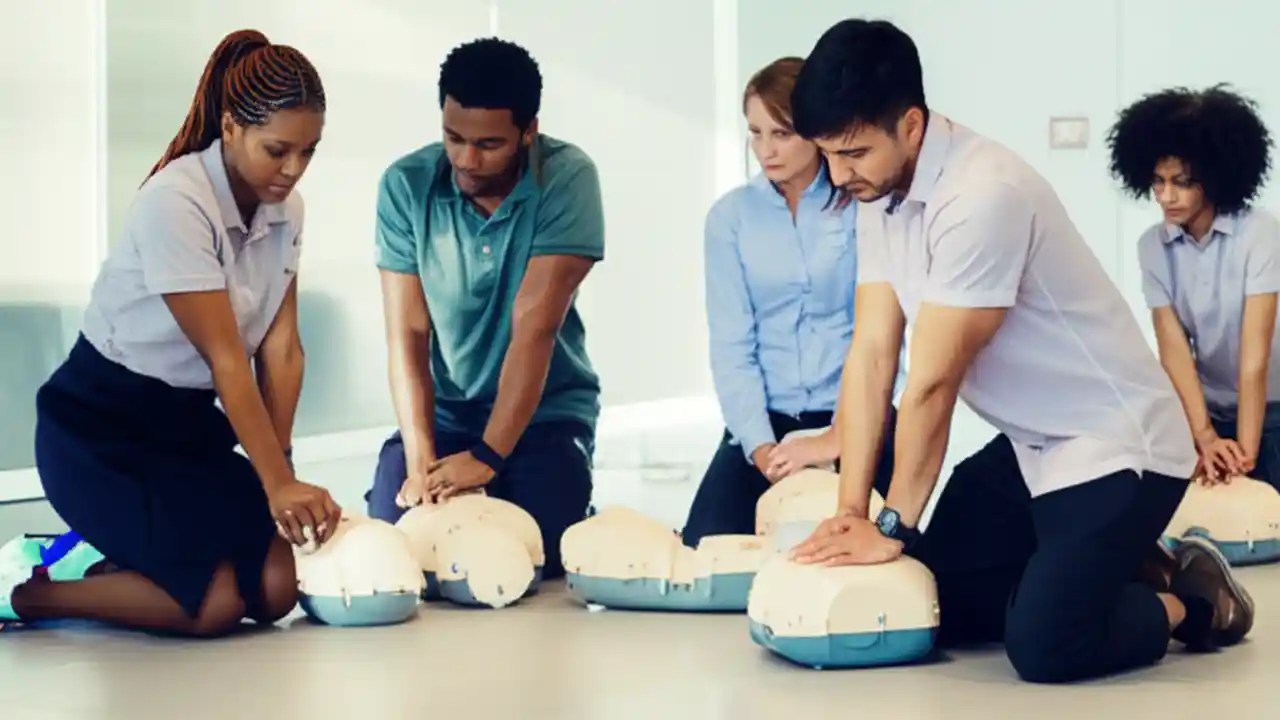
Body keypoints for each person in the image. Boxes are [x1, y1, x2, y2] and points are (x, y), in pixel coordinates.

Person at [786, 19, 1254, 684]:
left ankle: (1193, 600)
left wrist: (892, 525)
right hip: (1030, 444)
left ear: (911, 126)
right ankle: (1126, 560)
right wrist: (848, 514)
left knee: (1044, 647)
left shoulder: (981, 196)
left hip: (1118, 445)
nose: (838, 173)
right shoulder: (877, 189)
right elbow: (870, 355)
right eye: (827, 154)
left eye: (853, 152)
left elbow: (932, 383)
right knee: (936, 601)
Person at [0, 30, 340, 636]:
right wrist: (275, 483)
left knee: (275, 591)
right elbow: (228, 360)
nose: (294, 169)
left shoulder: (289, 210)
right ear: (232, 126)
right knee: (213, 609)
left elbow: (282, 351)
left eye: (308, 151)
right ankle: (34, 597)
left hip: (184, 433)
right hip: (98, 433)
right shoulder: (176, 201)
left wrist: (280, 472)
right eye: (277, 149)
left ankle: (123, 563)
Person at [366, 38, 603, 579]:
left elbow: (535, 328)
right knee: (400, 549)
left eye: (489, 145)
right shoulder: (405, 186)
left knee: (537, 554)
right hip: (445, 413)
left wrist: (489, 458)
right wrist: (421, 456)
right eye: (454, 138)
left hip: (544, 412)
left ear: (528, 131)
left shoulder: (567, 179)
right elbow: (406, 333)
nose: (466, 160)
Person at [680, 57, 895, 548]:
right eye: (755, 133)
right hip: (767, 423)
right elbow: (732, 344)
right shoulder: (730, 218)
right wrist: (763, 451)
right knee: (708, 552)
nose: (765, 150)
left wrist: (839, 436)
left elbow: (881, 336)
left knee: (875, 551)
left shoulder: (862, 205)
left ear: (816, 132)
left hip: (855, 412)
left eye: (781, 133)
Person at [1107, 86, 1280, 490]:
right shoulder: (1152, 246)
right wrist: (1204, 436)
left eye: (1182, 182)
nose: (1166, 196)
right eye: (1157, 182)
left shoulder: (1260, 234)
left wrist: (1245, 454)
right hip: (1208, 410)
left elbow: (1253, 360)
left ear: (1215, 178)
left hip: (1273, 408)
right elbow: (1174, 351)